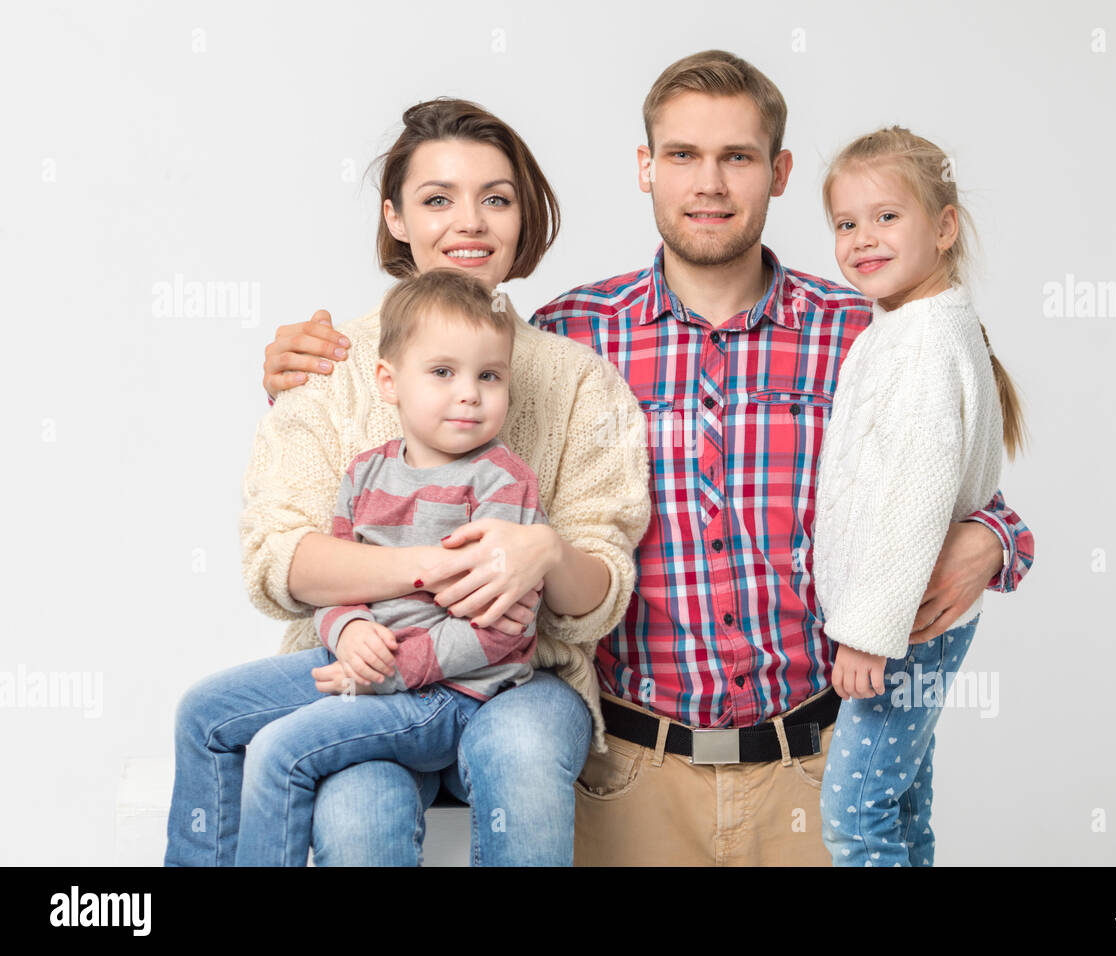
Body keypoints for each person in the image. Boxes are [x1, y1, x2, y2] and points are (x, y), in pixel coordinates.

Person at [267, 51, 1035, 866]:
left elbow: (958, 456)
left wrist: (995, 535)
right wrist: (312, 368)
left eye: (736, 157)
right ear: (646, 168)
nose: (708, 184)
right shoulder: (566, 341)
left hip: (816, 773)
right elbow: (437, 418)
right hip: (628, 781)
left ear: (777, 172)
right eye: (682, 156)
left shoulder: (866, 331)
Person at [166, 99, 651, 867]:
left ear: (524, 218)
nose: (470, 223)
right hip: (354, 667)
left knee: (522, 754)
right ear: (395, 217)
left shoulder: (576, 378)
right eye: (437, 199)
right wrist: (413, 581)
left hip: (520, 681)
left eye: (496, 198)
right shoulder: (328, 364)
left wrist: (546, 552)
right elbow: (278, 557)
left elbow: (600, 589)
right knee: (358, 810)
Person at [231, 268, 549, 865]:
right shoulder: (364, 474)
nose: (469, 393)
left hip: (446, 693)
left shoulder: (504, 483)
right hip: (364, 669)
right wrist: (347, 629)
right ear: (388, 381)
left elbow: (502, 629)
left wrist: (390, 670)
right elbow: (334, 583)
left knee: (276, 750)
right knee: (203, 712)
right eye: (443, 373)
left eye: (490, 376)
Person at [813, 126, 1028, 866]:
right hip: (905, 626)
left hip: (901, 628)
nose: (862, 239)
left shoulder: (926, 343)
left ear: (944, 227)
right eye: (846, 224)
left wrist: (869, 630)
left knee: (856, 815)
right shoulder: (900, 328)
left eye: (886, 217)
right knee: (900, 804)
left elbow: (914, 500)